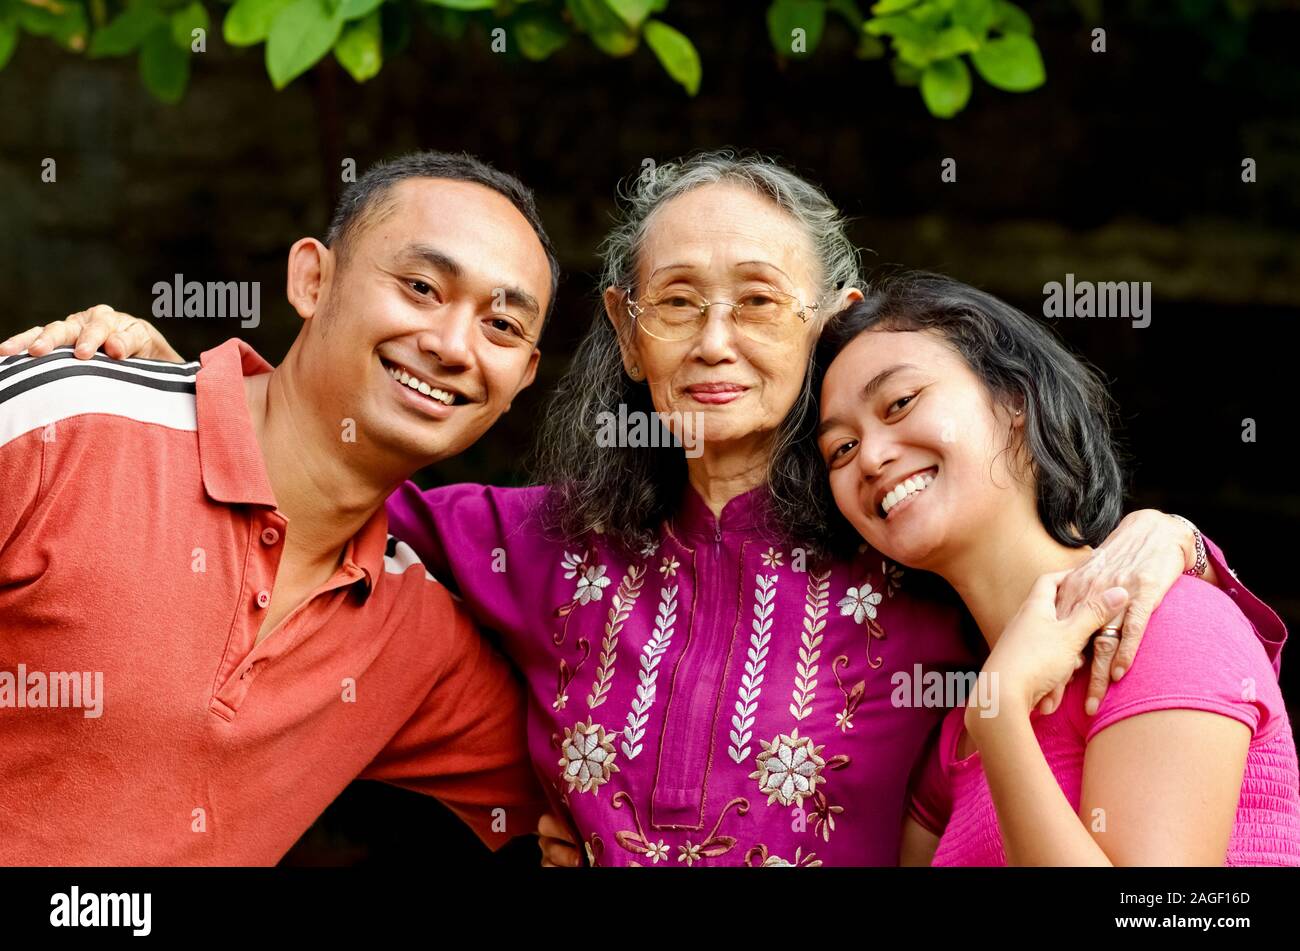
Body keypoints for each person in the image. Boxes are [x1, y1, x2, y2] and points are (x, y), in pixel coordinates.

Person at [9, 152, 1280, 867]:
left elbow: (1051, 573)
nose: (713, 339)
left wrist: (1161, 538)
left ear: (831, 320)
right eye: (673, 301)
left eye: (758, 301)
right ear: (622, 333)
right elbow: (312, 474)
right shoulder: (523, 545)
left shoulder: (908, 556)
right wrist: (153, 378)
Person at [0, 151, 558, 864]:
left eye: (502, 327)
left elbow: (611, 795)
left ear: (522, 380)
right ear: (313, 280)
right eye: (421, 287)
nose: (452, 346)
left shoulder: (414, 637)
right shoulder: (61, 431)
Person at [813, 272, 1298, 865]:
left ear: (1014, 399)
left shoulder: (1169, 625)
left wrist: (1003, 714)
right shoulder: (950, 747)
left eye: (901, 402)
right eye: (840, 448)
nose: (871, 456)